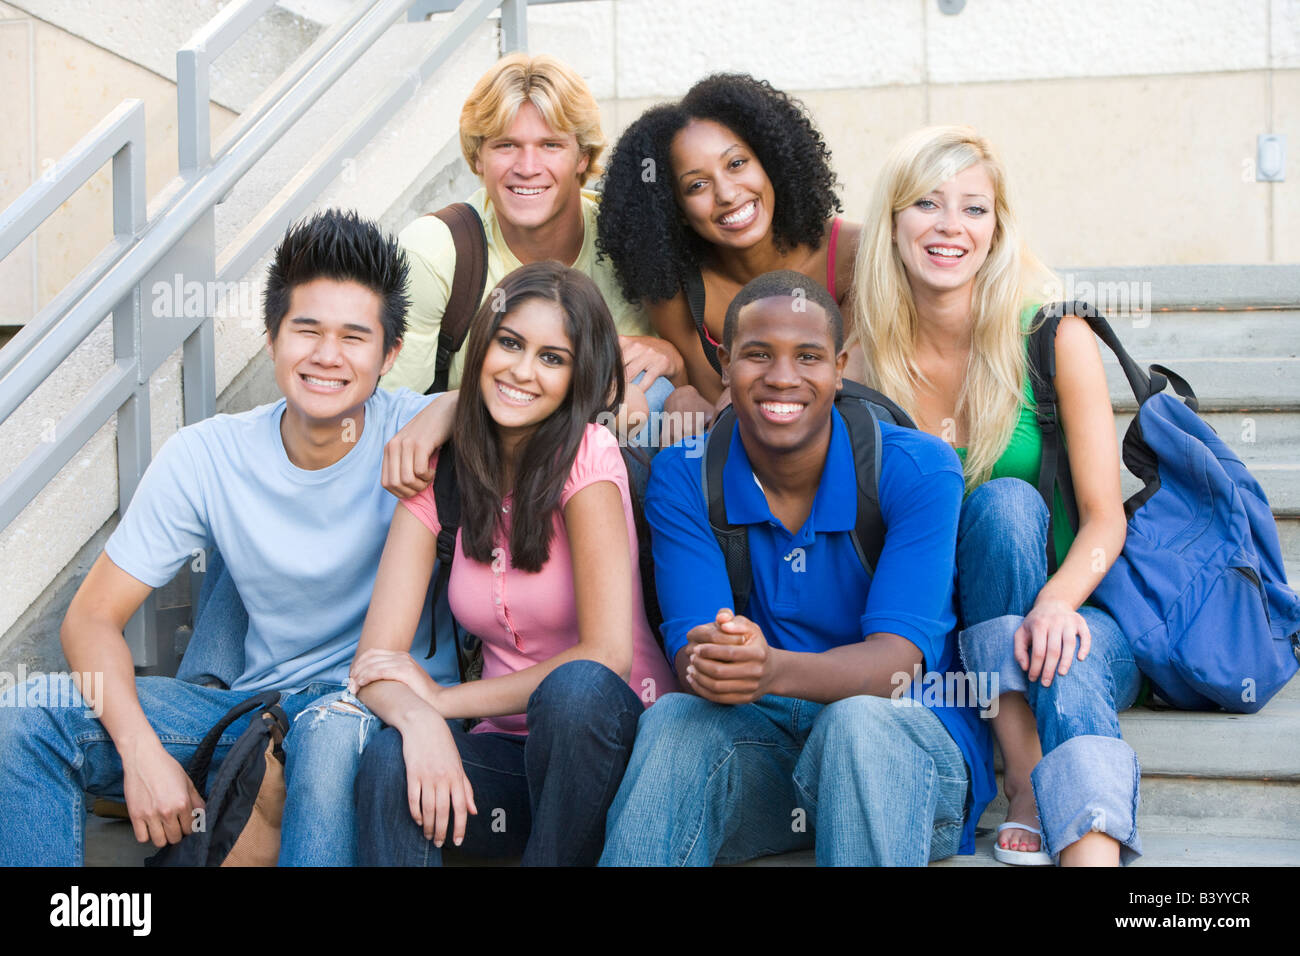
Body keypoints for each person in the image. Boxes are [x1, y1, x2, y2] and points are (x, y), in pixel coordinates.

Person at [0, 209, 459, 866]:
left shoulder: (421, 433)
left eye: (355, 337)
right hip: (255, 706)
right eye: (307, 330)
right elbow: (92, 618)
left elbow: (539, 390)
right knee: (27, 715)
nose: (328, 356)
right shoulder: (207, 455)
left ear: (390, 354)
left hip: (374, 716)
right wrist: (141, 753)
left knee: (327, 746)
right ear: (272, 338)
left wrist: (449, 404)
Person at [599, 271, 994, 867]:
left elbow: (895, 665)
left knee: (858, 725)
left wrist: (769, 668)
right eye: (758, 355)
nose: (782, 376)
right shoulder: (685, 474)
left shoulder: (916, 469)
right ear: (725, 366)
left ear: (839, 368)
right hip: (768, 757)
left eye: (807, 356)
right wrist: (717, 659)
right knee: (677, 718)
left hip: (903, 754)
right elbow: (694, 654)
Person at [850, 125, 1141, 866]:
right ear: (891, 222)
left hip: (1070, 613)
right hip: (938, 635)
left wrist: (1056, 603)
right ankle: (1019, 778)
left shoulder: (1053, 335)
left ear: (997, 227)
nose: (951, 227)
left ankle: (1037, 795)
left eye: (974, 209)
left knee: (1009, 517)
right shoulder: (860, 356)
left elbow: (1107, 518)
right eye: (928, 204)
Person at [351, 261, 678, 866]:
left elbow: (606, 657)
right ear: (483, 347)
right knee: (390, 760)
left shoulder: (588, 455)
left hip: (614, 754)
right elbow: (375, 663)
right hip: (511, 762)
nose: (523, 371)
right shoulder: (438, 472)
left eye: (553, 358)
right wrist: (419, 723)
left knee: (575, 690)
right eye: (510, 343)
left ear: (578, 377)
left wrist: (443, 704)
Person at [380, 52, 684, 419]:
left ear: (583, 157)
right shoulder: (436, 248)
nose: (527, 168)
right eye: (506, 145)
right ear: (478, 157)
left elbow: (709, 385)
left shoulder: (632, 231)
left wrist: (672, 357)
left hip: (604, 456)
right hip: (477, 450)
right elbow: (391, 412)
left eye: (550, 145)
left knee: (651, 398)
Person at [596, 73, 864, 435]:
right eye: (697, 185)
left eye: (736, 164)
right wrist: (683, 388)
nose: (726, 193)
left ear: (770, 162)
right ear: (676, 211)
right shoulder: (675, 283)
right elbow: (714, 411)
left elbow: (850, 394)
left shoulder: (854, 254)